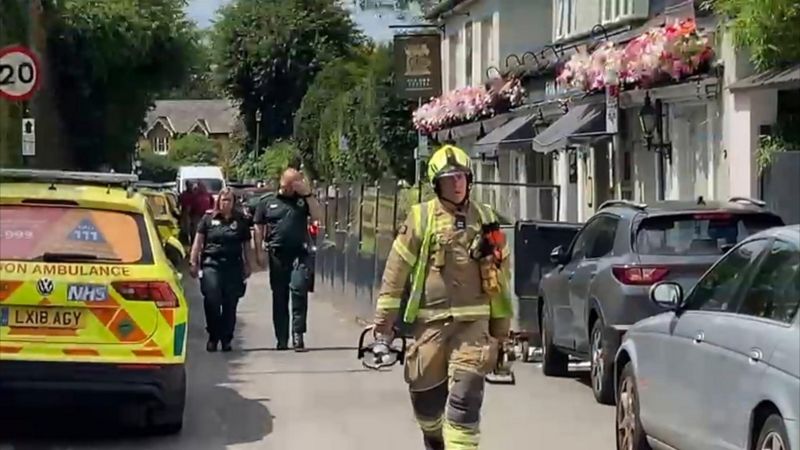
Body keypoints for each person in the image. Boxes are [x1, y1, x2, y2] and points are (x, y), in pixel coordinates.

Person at [371, 145, 513, 450]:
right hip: (429, 327)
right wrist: (383, 330)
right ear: (437, 185)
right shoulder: (420, 218)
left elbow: (500, 280)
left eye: (462, 177)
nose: (458, 184)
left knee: (465, 399)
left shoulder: (487, 219)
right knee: (427, 408)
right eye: (450, 179)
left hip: (473, 326)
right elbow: (395, 274)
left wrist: (501, 334)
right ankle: (434, 439)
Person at [253, 168, 322, 351]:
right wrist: (259, 251)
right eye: (289, 184)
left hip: (299, 253)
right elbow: (259, 227)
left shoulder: (303, 200)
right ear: (282, 182)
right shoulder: (267, 202)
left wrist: (307, 193)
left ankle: (298, 334)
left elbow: (317, 217)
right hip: (277, 254)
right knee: (279, 297)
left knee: (299, 289)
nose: (292, 188)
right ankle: (281, 338)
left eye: (295, 183)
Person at [189, 188, 252, 353]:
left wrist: (248, 264)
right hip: (212, 264)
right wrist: (193, 261)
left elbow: (246, 245)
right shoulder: (208, 219)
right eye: (223, 200)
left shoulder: (241, 221)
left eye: (229, 200)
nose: (226, 203)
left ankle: (226, 339)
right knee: (212, 300)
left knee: (230, 304)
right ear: (218, 202)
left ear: (233, 203)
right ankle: (213, 336)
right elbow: (198, 242)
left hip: (233, 266)